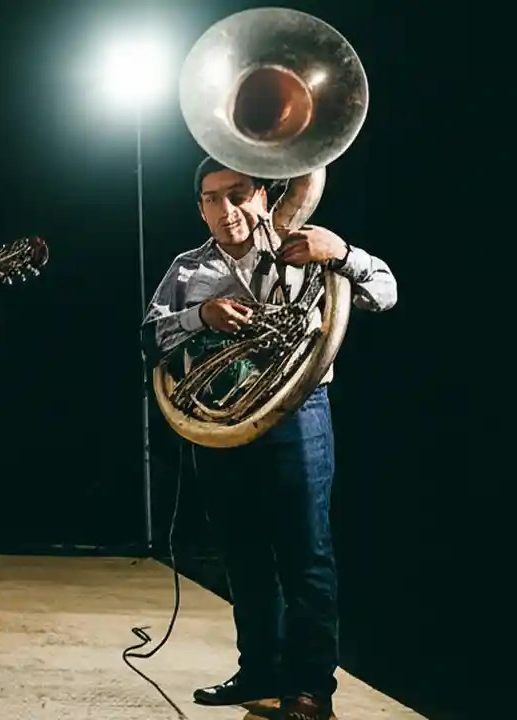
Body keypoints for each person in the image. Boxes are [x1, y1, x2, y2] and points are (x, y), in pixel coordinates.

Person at [141, 156, 397, 720]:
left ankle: (309, 689)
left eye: (237, 194)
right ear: (200, 208)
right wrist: (201, 316)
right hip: (221, 425)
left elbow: (387, 292)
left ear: (262, 193)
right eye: (212, 198)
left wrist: (342, 255)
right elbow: (149, 339)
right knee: (243, 555)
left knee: (307, 556)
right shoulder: (186, 270)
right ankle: (257, 668)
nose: (226, 210)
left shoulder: (305, 247)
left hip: (298, 417)